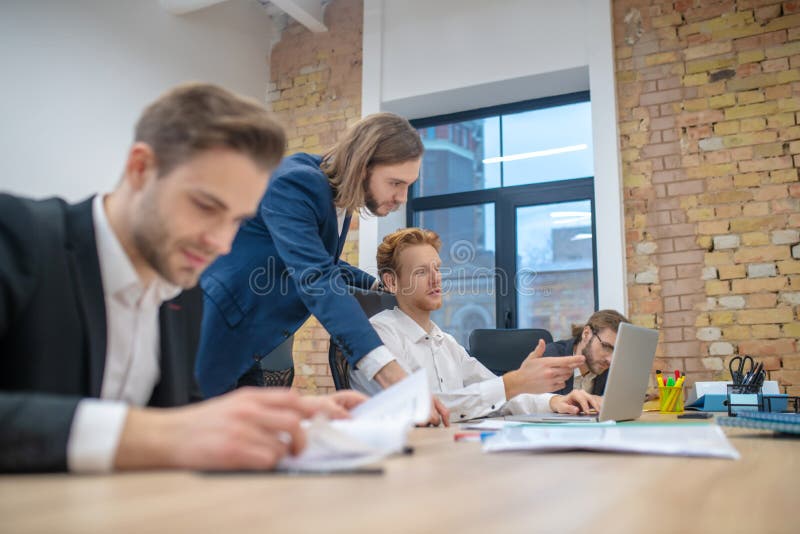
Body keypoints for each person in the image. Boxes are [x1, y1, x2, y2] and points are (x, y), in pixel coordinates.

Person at [0, 83, 364, 474]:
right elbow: (169, 432)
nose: (221, 244)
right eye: (206, 206)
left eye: (238, 221)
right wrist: (157, 434)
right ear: (140, 169)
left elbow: (183, 420)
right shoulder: (18, 235)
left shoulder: (184, 291)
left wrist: (278, 421)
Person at [195, 113, 450, 425]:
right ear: (362, 164)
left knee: (247, 447)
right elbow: (317, 276)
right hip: (217, 332)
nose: (401, 198)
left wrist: (372, 285)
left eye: (408, 185)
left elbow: (324, 262)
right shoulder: (295, 183)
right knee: (193, 448)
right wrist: (392, 375)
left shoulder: (333, 196)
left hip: (254, 344)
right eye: (396, 183)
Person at [348, 228, 600, 423]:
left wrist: (556, 401)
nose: (437, 279)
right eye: (421, 272)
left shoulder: (444, 341)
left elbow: (496, 396)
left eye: (438, 268)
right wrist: (512, 383)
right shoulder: (376, 336)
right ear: (391, 282)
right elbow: (425, 407)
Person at [544, 309, 631, 396]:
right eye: (606, 346)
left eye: (617, 352)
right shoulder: (551, 358)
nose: (610, 360)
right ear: (586, 334)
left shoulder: (610, 371)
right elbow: (539, 404)